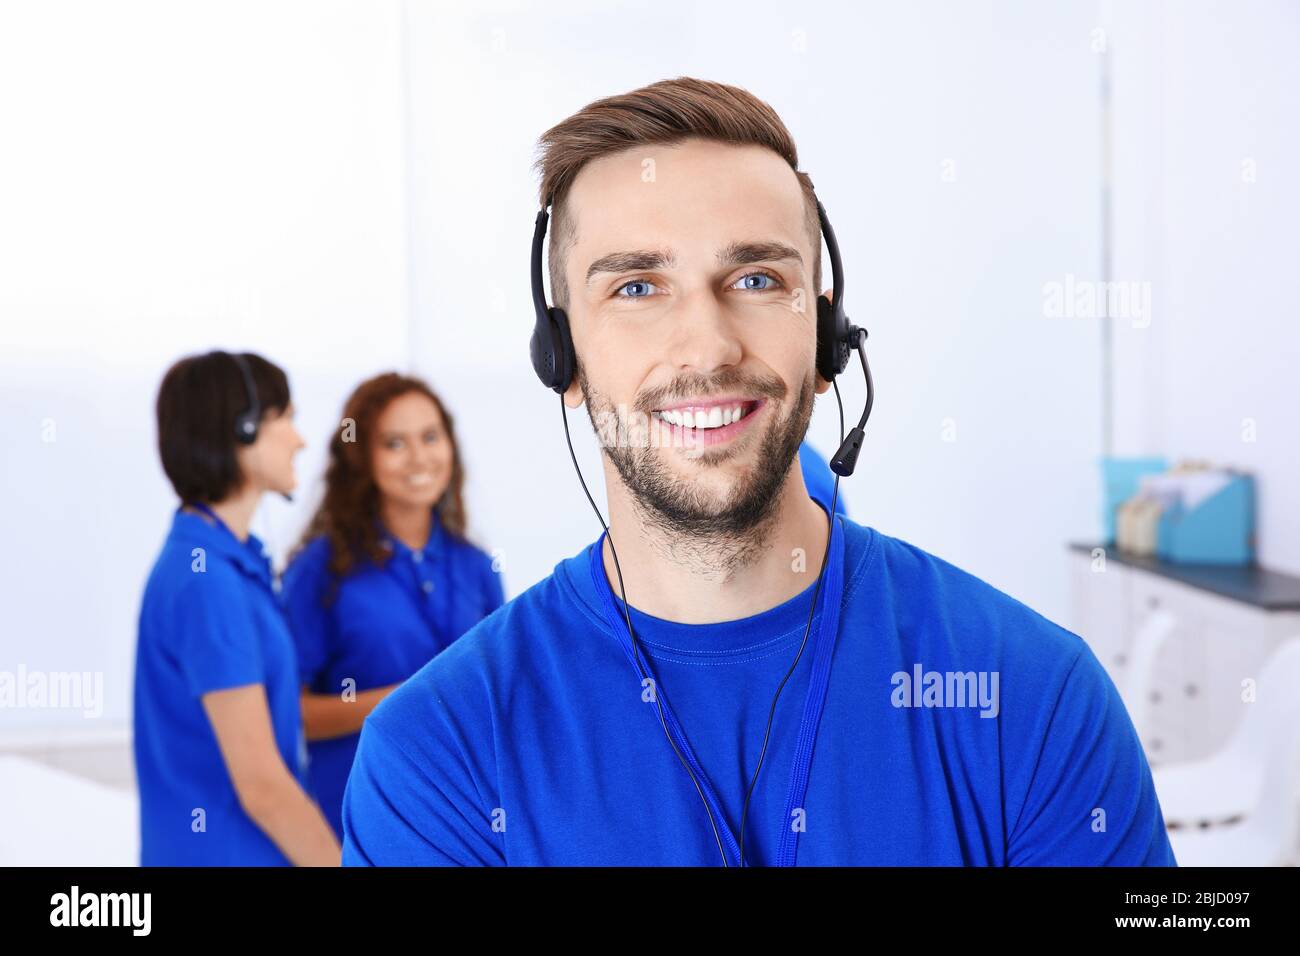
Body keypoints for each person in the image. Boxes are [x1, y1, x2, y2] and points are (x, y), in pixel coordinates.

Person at [341, 78, 1175, 865]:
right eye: (636, 287)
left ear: (825, 340)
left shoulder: (1029, 697)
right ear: (561, 357)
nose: (708, 345)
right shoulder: (435, 756)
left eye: (755, 278)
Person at [135, 350, 339, 866]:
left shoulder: (226, 565)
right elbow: (262, 786)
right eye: (287, 419)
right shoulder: (206, 582)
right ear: (244, 430)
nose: (300, 439)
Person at [281, 373, 504, 839]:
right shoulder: (322, 570)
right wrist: (404, 701)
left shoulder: (476, 567)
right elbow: (288, 712)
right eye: (394, 443)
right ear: (363, 458)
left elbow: (496, 697)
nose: (419, 457)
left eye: (430, 437)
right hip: (356, 821)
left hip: (460, 826)